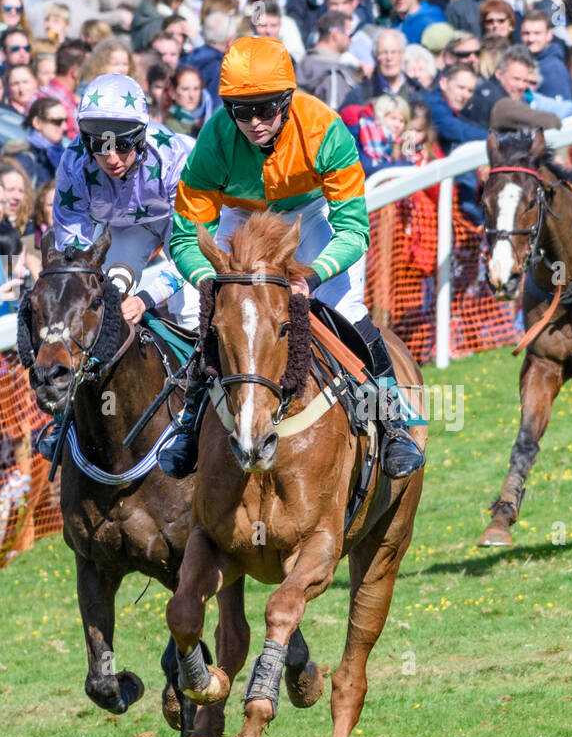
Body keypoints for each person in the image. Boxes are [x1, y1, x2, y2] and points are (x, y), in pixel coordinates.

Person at [160, 35, 425, 480]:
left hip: (308, 213)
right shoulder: (213, 141)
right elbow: (185, 236)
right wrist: (211, 280)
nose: (254, 122)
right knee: (197, 313)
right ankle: (189, 422)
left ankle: (393, 424)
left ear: (287, 99)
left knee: (346, 307)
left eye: (266, 108)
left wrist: (314, 276)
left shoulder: (325, 127)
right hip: (240, 214)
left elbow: (354, 230)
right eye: (241, 111)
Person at [51, 71, 196, 332]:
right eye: (100, 145)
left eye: (123, 144)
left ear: (140, 137)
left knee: (190, 311)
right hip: (125, 225)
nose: (112, 158)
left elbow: (192, 249)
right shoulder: (74, 162)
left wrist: (146, 299)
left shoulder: (174, 158)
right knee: (109, 293)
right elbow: (73, 250)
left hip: (177, 221)